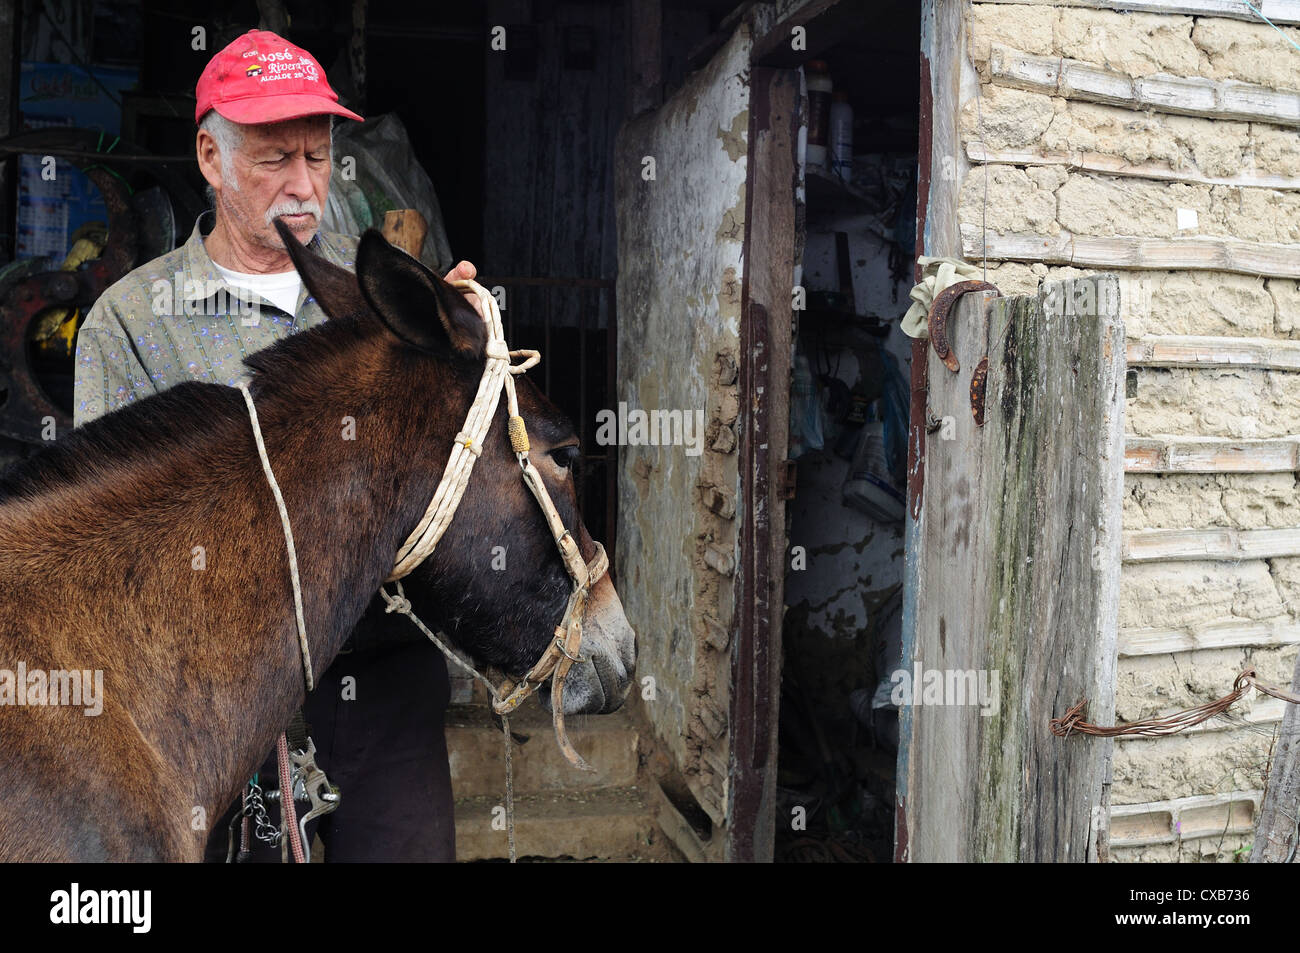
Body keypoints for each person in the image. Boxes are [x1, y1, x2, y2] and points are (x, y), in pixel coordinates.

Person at [73, 28, 476, 862]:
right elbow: (107, 556)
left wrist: (456, 350)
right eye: (273, 160)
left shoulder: (386, 302)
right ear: (210, 158)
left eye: (319, 158)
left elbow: (449, 489)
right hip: (207, 702)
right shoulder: (132, 323)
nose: (304, 188)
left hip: (379, 676)